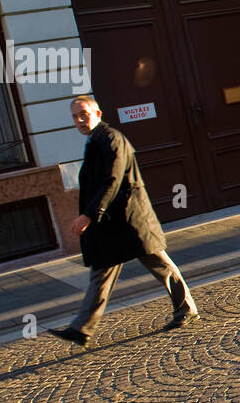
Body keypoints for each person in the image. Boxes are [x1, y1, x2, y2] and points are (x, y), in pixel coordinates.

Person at [49, 96, 199, 348]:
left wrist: (88, 214)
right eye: (75, 116)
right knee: (101, 272)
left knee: (159, 262)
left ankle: (187, 309)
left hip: (130, 220)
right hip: (111, 223)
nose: (80, 120)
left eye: (84, 113)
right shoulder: (96, 141)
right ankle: (81, 328)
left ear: (97, 113)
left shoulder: (110, 139)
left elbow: (113, 180)